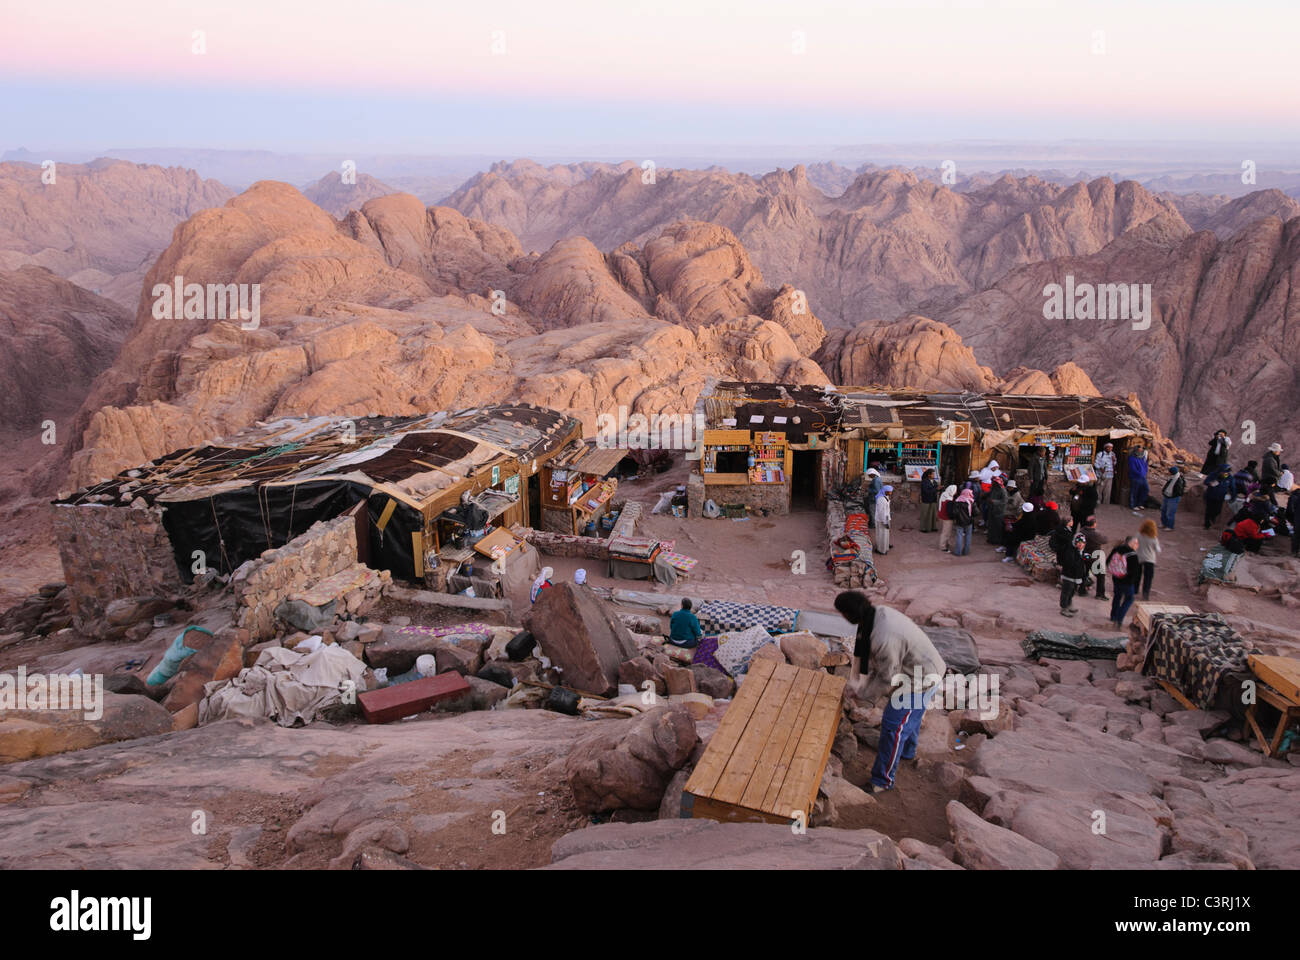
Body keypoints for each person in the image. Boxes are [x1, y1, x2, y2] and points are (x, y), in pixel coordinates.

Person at [834, 591, 946, 793]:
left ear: (849, 614)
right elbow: (865, 656)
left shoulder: (885, 636)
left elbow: (887, 677)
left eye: (842, 614)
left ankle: (882, 781)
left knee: (893, 727)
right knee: (910, 718)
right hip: (920, 668)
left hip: (921, 678)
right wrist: (857, 682)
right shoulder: (875, 614)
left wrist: (864, 695)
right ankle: (907, 752)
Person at [1106, 536, 1141, 626]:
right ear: (1132, 543)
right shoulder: (1132, 555)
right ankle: (1119, 619)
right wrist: (1135, 586)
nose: (1138, 545)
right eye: (1137, 543)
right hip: (1127, 582)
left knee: (1117, 596)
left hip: (1116, 578)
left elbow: (1108, 561)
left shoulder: (1117, 549)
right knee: (1129, 599)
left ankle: (1113, 616)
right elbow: (1135, 572)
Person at [1058, 532, 1089, 617]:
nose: (1080, 545)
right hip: (1069, 575)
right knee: (1066, 592)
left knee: (1072, 591)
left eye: (1082, 543)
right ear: (1075, 542)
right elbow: (1070, 562)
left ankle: (1069, 604)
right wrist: (1080, 559)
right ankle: (1064, 608)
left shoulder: (1080, 551)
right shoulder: (1070, 550)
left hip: (1076, 576)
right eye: (1078, 543)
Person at [1082, 516, 1108, 600]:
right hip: (1093, 558)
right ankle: (1100, 594)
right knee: (1101, 575)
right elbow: (1105, 540)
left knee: (1084, 573)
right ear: (1094, 524)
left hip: (1083, 556)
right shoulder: (1096, 534)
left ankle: (1081, 590)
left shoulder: (1081, 531)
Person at [1137, 518, 1161, 601]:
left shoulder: (1138, 535)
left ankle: (1135, 590)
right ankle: (1145, 594)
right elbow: (1158, 550)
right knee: (1148, 578)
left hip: (1139, 557)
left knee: (1137, 575)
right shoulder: (1153, 538)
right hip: (1149, 559)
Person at [1204, 464, 1233, 529]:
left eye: (1227, 472)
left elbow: (1232, 487)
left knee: (1217, 510)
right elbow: (1206, 482)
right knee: (1209, 510)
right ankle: (1207, 524)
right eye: (1224, 472)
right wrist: (1211, 483)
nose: (1226, 473)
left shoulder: (1229, 477)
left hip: (1220, 497)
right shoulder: (1213, 475)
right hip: (1210, 496)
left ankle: (1212, 519)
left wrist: (1233, 496)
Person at [1159, 465, 1185, 530]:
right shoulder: (1172, 478)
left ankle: (1170, 526)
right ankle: (1164, 523)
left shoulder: (1179, 480)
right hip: (1167, 495)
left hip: (1173, 497)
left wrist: (1172, 495)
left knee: (1170, 512)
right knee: (1163, 510)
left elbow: (1179, 491)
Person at [951, 488, 975, 556]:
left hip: (959, 521)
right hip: (969, 522)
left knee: (959, 536)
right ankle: (966, 551)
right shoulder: (971, 501)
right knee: (968, 536)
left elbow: (954, 512)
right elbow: (976, 512)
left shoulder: (957, 501)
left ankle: (958, 552)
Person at [1127, 443, 1150, 512]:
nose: (1141, 451)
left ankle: (1140, 503)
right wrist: (1140, 473)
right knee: (1135, 491)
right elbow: (1132, 468)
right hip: (1135, 477)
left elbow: (1145, 466)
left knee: (1145, 489)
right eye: (1139, 450)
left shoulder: (1142, 458)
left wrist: (1145, 472)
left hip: (1143, 477)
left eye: (1141, 450)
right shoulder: (1132, 458)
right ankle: (1133, 505)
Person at [986, 476, 1007, 547]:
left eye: (994, 482)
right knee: (991, 525)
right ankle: (991, 539)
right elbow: (989, 494)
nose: (992, 483)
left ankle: (997, 540)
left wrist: (994, 501)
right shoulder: (993, 488)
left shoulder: (1003, 490)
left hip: (999, 510)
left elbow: (1004, 501)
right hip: (992, 509)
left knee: (998, 526)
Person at [937, 484, 957, 553]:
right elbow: (949, 511)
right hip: (947, 518)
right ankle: (943, 547)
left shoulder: (944, 495)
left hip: (941, 516)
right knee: (946, 532)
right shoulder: (949, 500)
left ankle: (946, 543)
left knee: (945, 532)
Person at [874, 485, 893, 554]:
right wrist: (885, 522)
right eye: (889, 492)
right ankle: (881, 550)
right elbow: (881, 512)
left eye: (891, 492)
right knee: (882, 534)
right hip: (881, 520)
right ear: (885, 491)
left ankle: (886, 547)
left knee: (885, 534)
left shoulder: (885, 497)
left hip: (886, 518)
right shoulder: (881, 500)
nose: (890, 493)